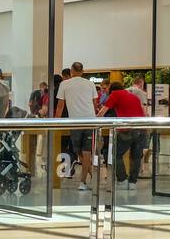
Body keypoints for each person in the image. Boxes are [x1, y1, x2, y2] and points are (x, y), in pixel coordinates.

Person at [56, 61, 99, 192]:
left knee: (80, 151)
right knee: (85, 153)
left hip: (75, 121)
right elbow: (94, 103)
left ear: (71, 71)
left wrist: (56, 121)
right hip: (90, 121)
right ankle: (89, 179)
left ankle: (83, 181)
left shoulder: (64, 84)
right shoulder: (90, 84)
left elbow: (60, 105)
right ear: (82, 71)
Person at [99, 80, 146, 188]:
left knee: (115, 154)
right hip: (141, 128)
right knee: (136, 156)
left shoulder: (115, 94)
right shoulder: (133, 96)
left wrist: (96, 120)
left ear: (112, 90)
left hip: (127, 129)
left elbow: (102, 112)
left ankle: (123, 179)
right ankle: (132, 183)